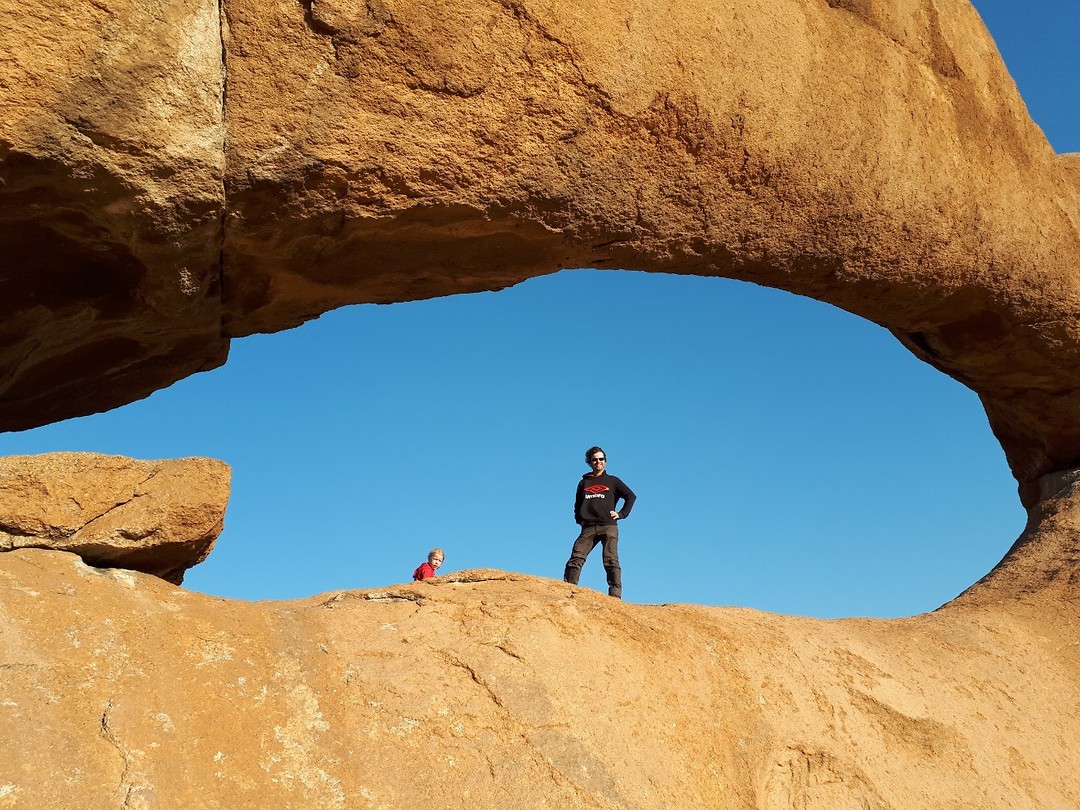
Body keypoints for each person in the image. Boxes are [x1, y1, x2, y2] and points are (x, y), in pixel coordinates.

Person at [563, 446, 636, 598]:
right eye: (595, 460)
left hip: (608, 525)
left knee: (610, 561)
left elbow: (630, 496)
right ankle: (567, 592)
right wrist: (579, 518)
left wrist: (621, 514)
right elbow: (577, 503)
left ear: (605, 461)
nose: (598, 462)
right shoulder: (583, 483)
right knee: (576, 558)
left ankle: (615, 597)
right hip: (588, 527)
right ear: (590, 462)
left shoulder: (613, 481)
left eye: (601, 459)